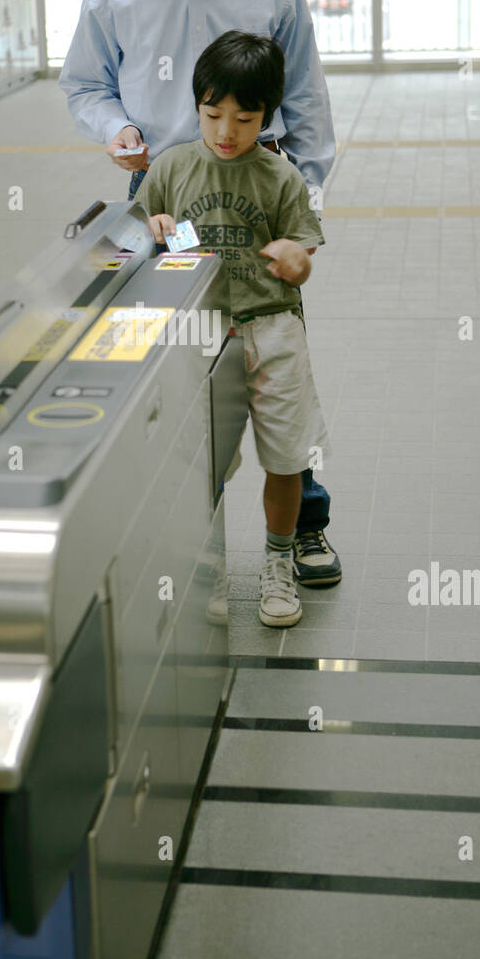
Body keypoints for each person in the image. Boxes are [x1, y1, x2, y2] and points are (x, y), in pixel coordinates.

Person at [59, 0, 340, 588]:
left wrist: (304, 214)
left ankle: (304, 524)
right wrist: (115, 126)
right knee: (178, 363)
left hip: (258, 190)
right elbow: (84, 84)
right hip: (164, 195)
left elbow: (306, 96)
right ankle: (189, 536)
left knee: (274, 355)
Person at [135, 31, 328, 627]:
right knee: (203, 461)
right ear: (196, 105)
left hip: (270, 330)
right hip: (200, 332)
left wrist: (298, 258)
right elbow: (135, 242)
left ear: (266, 116)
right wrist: (153, 229)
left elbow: (302, 248)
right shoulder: (170, 166)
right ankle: (210, 561)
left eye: (244, 119)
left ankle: (277, 561)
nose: (225, 132)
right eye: (212, 114)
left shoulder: (280, 177)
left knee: (287, 456)